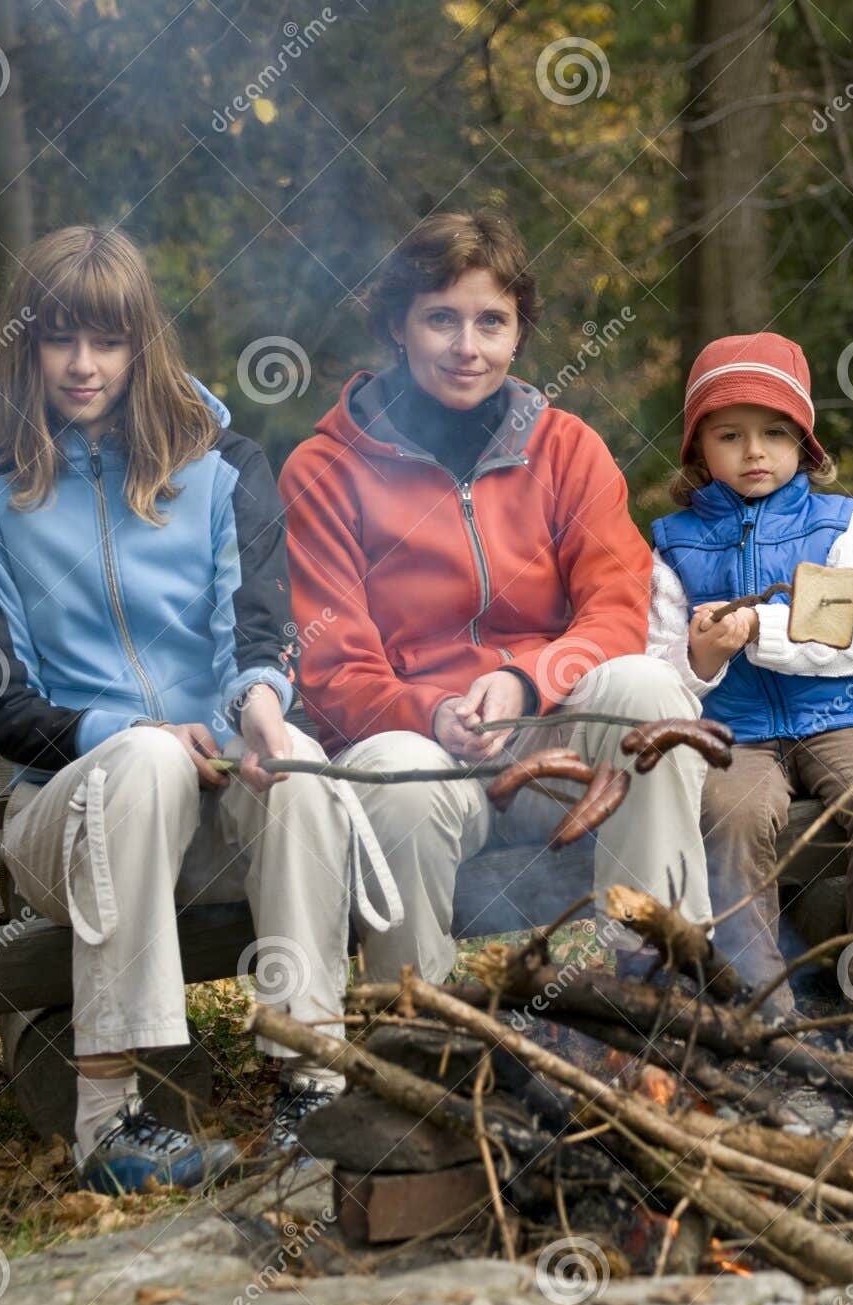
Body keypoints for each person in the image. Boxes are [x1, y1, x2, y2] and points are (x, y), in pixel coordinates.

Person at [0, 226, 400, 1192]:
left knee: (305, 776)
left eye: (105, 341)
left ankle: (311, 1086)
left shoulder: (225, 466)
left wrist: (266, 713)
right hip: (65, 819)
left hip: (218, 812)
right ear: (24, 345)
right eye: (57, 338)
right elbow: (5, 709)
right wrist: (132, 732)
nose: (81, 364)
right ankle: (109, 1120)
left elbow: (260, 634)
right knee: (145, 765)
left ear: (141, 345)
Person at [279, 209, 711, 985]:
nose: (466, 347)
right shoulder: (325, 469)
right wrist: (432, 713)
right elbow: (333, 667)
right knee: (398, 776)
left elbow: (617, 605)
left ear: (519, 333)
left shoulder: (564, 447)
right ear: (396, 326)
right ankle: (415, 1032)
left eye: (491, 321)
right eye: (440, 319)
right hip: (423, 759)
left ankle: (660, 996)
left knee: (646, 688)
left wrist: (526, 679)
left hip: (554, 752)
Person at [647, 331, 853, 1038]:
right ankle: (761, 1016)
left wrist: (759, 632)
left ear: (804, 443)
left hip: (837, 715)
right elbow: (660, 665)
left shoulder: (837, 525)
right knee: (728, 817)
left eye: (774, 433)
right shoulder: (672, 544)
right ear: (698, 451)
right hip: (734, 730)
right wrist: (701, 659)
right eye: (728, 436)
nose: (754, 452)